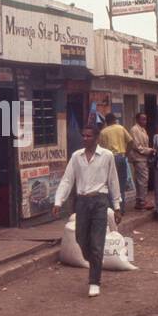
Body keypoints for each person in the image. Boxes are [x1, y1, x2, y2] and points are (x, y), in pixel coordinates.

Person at [52, 125, 122, 298]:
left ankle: (94, 281)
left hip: (100, 201)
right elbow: (68, 180)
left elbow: (113, 180)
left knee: (97, 243)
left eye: (89, 135)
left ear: (97, 138)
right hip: (82, 202)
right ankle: (95, 263)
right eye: (83, 135)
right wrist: (58, 201)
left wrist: (117, 206)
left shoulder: (107, 156)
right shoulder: (77, 156)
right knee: (81, 239)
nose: (85, 138)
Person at [98, 113, 132, 207]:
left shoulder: (103, 132)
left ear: (106, 121)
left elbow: (100, 148)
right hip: (121, 157)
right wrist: (126, 154)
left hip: (109, 159)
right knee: (121, 182)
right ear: (114, 120)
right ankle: (121, 208)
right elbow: (130, 141)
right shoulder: (121, 128)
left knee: (111, 183)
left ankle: (113, 207)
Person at [128, 113, 154, 210]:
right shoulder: (134, 130)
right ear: (137, 119)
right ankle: (141, 201)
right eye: (142, 119)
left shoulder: (143, 130)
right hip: (139, 158)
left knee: (142, 179)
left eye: (145, 119)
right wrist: (149, 150)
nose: (144, 121)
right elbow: (137, 146)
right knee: (142, 180)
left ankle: (140, 200)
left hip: (144, 158)